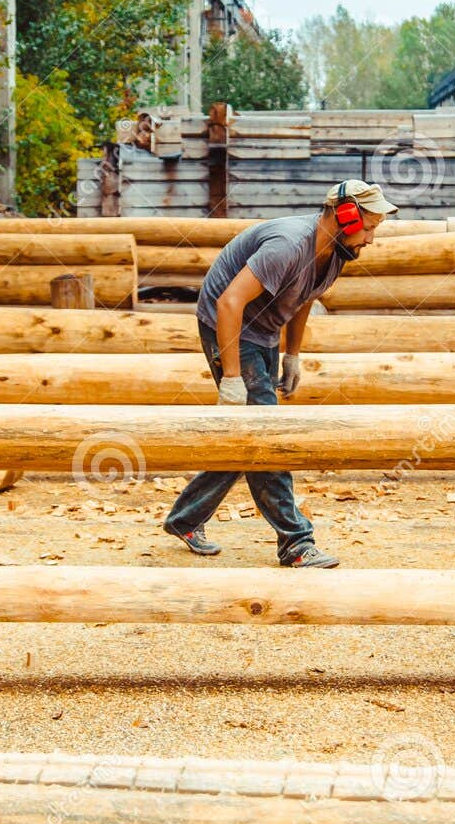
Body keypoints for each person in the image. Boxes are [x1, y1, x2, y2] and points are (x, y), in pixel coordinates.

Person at [163, 179, 398, 568]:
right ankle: (296, 542)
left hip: (265, 329)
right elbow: (228, 302)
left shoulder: (337, 252)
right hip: (229, 325)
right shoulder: (288, 245)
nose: (371, 239)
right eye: (369, 228)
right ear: (345, 215)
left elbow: (304, 298)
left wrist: (292, 355)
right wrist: (233, 378)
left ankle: (185, 518)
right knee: (266, 436)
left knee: (249, 433)